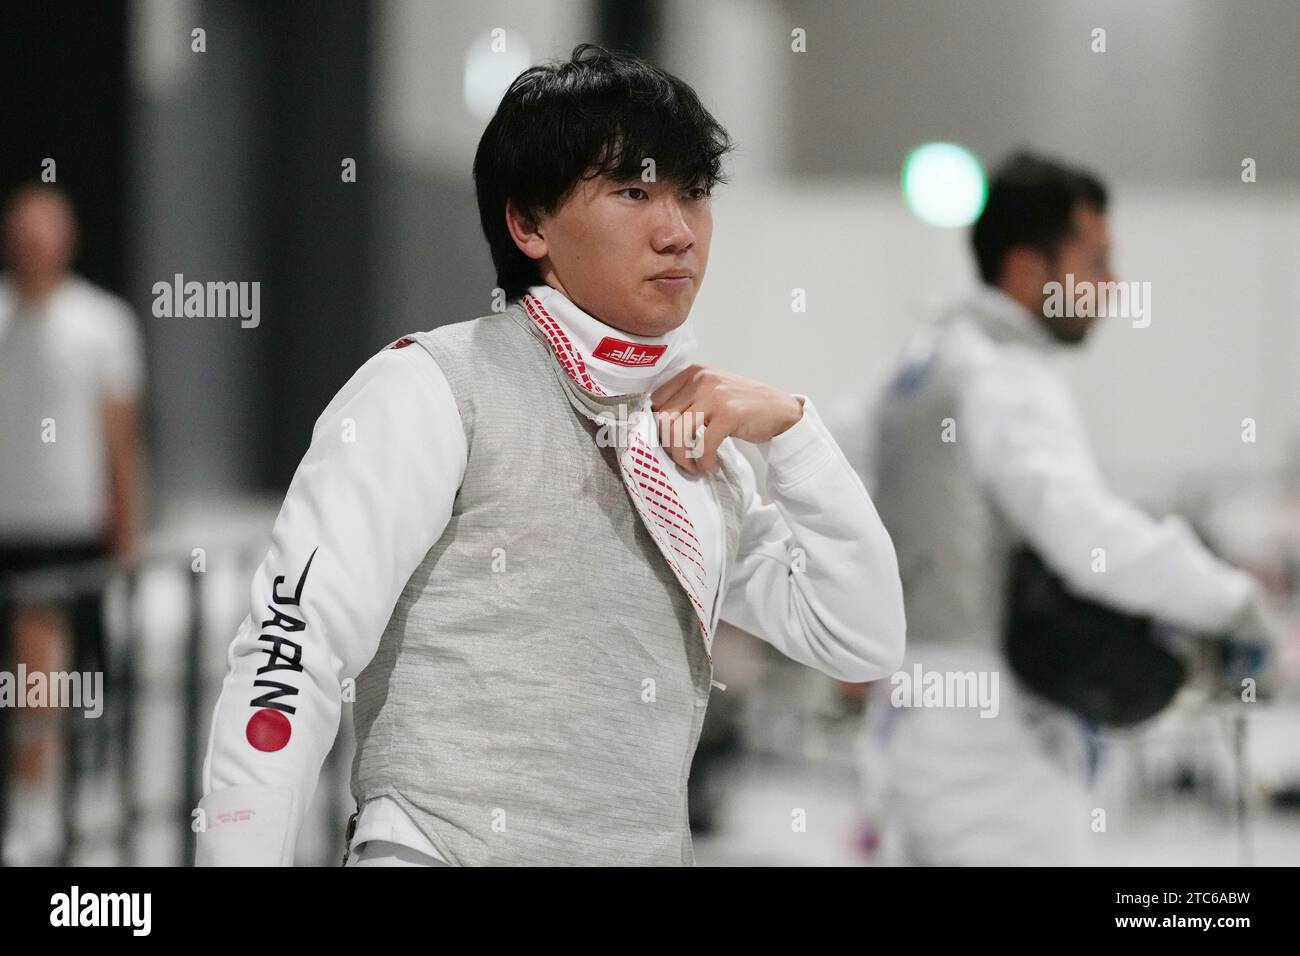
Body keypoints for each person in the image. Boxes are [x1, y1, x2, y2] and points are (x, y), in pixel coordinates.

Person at [196, 43, 905, 867]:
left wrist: (794, 432)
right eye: (634, 192)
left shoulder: (687, 444)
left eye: (694, 194)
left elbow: (862, 637)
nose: (677, 232)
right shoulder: (430, 387)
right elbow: (291, 650)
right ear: (529, 223)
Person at [858, 151, 1279, 866]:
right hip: (987, 745)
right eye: (1097, 264)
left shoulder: (918, 366)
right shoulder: (1003, 379)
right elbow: (1089, 541)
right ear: (1028, 271)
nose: (1112, 289)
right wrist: (1229, 600)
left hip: (911, 720)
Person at [0, 182, 147, 861]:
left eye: (42, 233)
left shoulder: (101, 324)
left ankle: (67, 795)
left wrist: (128, 520)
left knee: (75, 671)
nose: (30, 247)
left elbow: (121, 434)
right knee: (30, 673)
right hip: (10, 524)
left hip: (72, 527)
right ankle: (34, 799)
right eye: (20, 233)